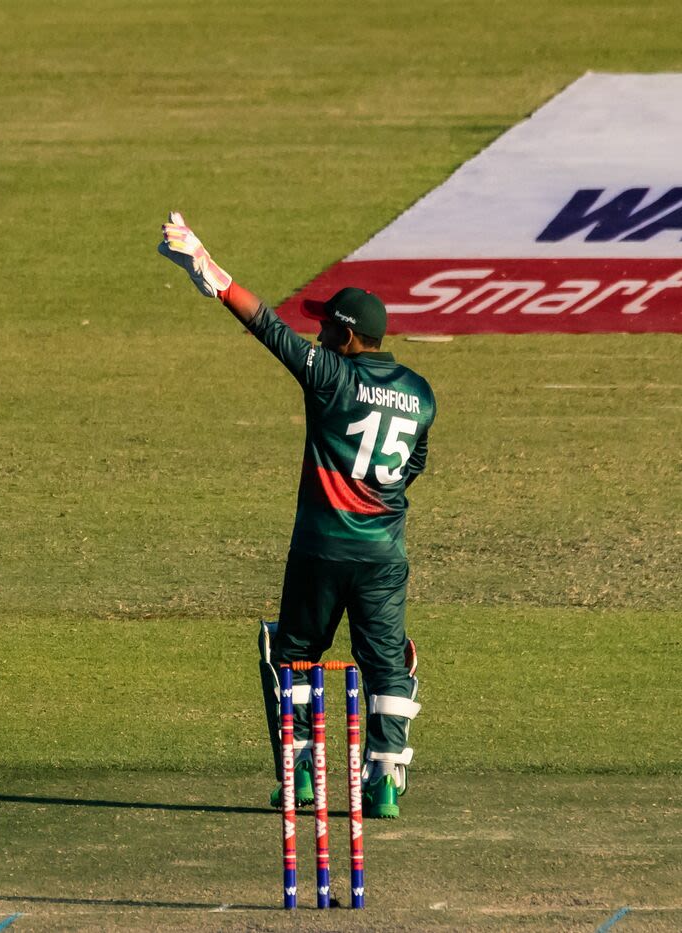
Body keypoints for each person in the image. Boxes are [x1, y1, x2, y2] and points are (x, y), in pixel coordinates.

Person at [159, 212, 434, 819]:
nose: (320, 337)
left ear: (346, 335)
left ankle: (302, 773)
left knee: (295, 654)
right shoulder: (420, 393)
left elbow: (268, 328)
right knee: (387, 662)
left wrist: (212, 273)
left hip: (320, 547)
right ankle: (385, 782)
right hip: (384, 553)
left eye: (327, 328)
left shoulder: (329, 375)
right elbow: (413, 464)